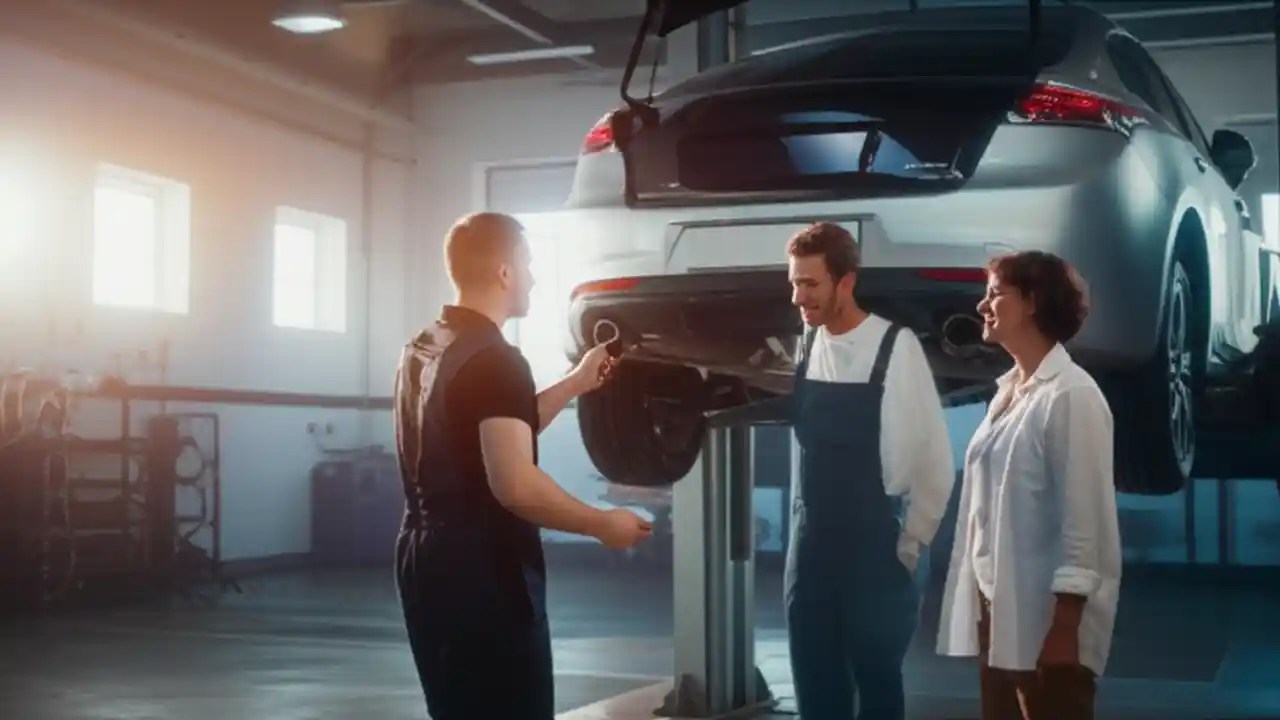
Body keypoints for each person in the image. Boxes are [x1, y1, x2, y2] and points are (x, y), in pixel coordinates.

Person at [392, 212, 653, 720]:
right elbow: (514, 483)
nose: (533, 276)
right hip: (483, 571)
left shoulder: (426, 345)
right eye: (528, 264)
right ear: (505, 272)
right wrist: (602, 524)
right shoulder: (497, 359)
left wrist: (576, 382)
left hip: (426, 560)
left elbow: (491, 427)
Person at [936, 250, 1122, 720]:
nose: (982, 306)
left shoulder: (1072, 395)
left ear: (1033, 302)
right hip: (1000, 613)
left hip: (1046, 623)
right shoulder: (1009, 391)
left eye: (995, 294)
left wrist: (1064, 628)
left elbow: (1085, 522)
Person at [784, 222, 956, 720]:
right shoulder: (807, 342)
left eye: (810, 284)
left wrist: (912, 541)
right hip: (811, 547)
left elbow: (933, 456)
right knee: (815, 685)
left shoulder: (894, 348)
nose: (799, 296)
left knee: (877, 683)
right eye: (794, 282)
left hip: (874, 549)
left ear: (846, 282)